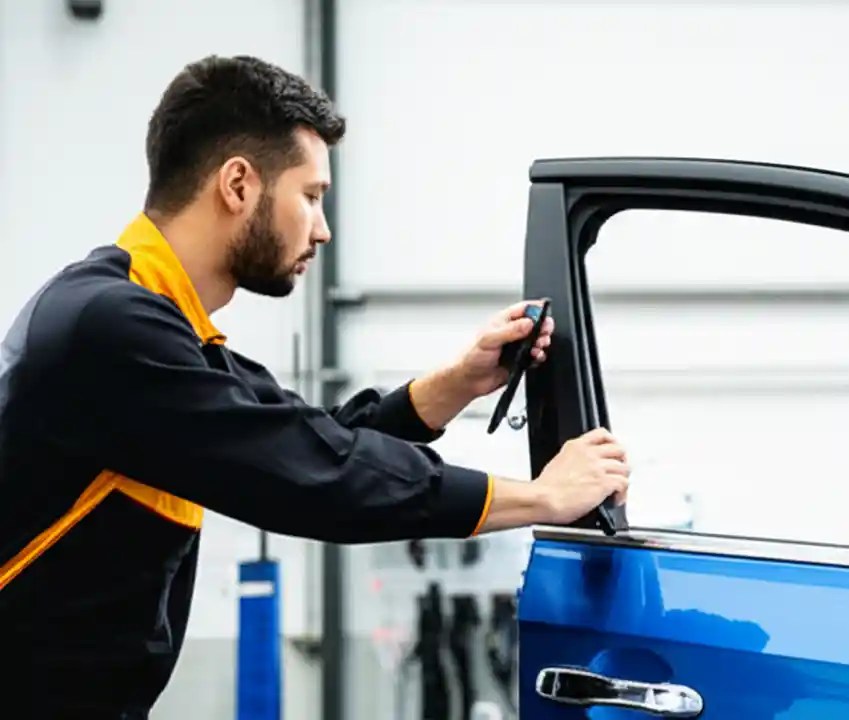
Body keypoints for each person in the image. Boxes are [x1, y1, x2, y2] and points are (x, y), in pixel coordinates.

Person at [0, 54, 630, 716]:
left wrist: (456, 383)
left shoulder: (146, 323)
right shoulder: (112, 328)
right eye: (311, 196)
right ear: (238, 184)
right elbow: (313, 473)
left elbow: (297, 438)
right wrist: (540, 497)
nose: (322, 229)